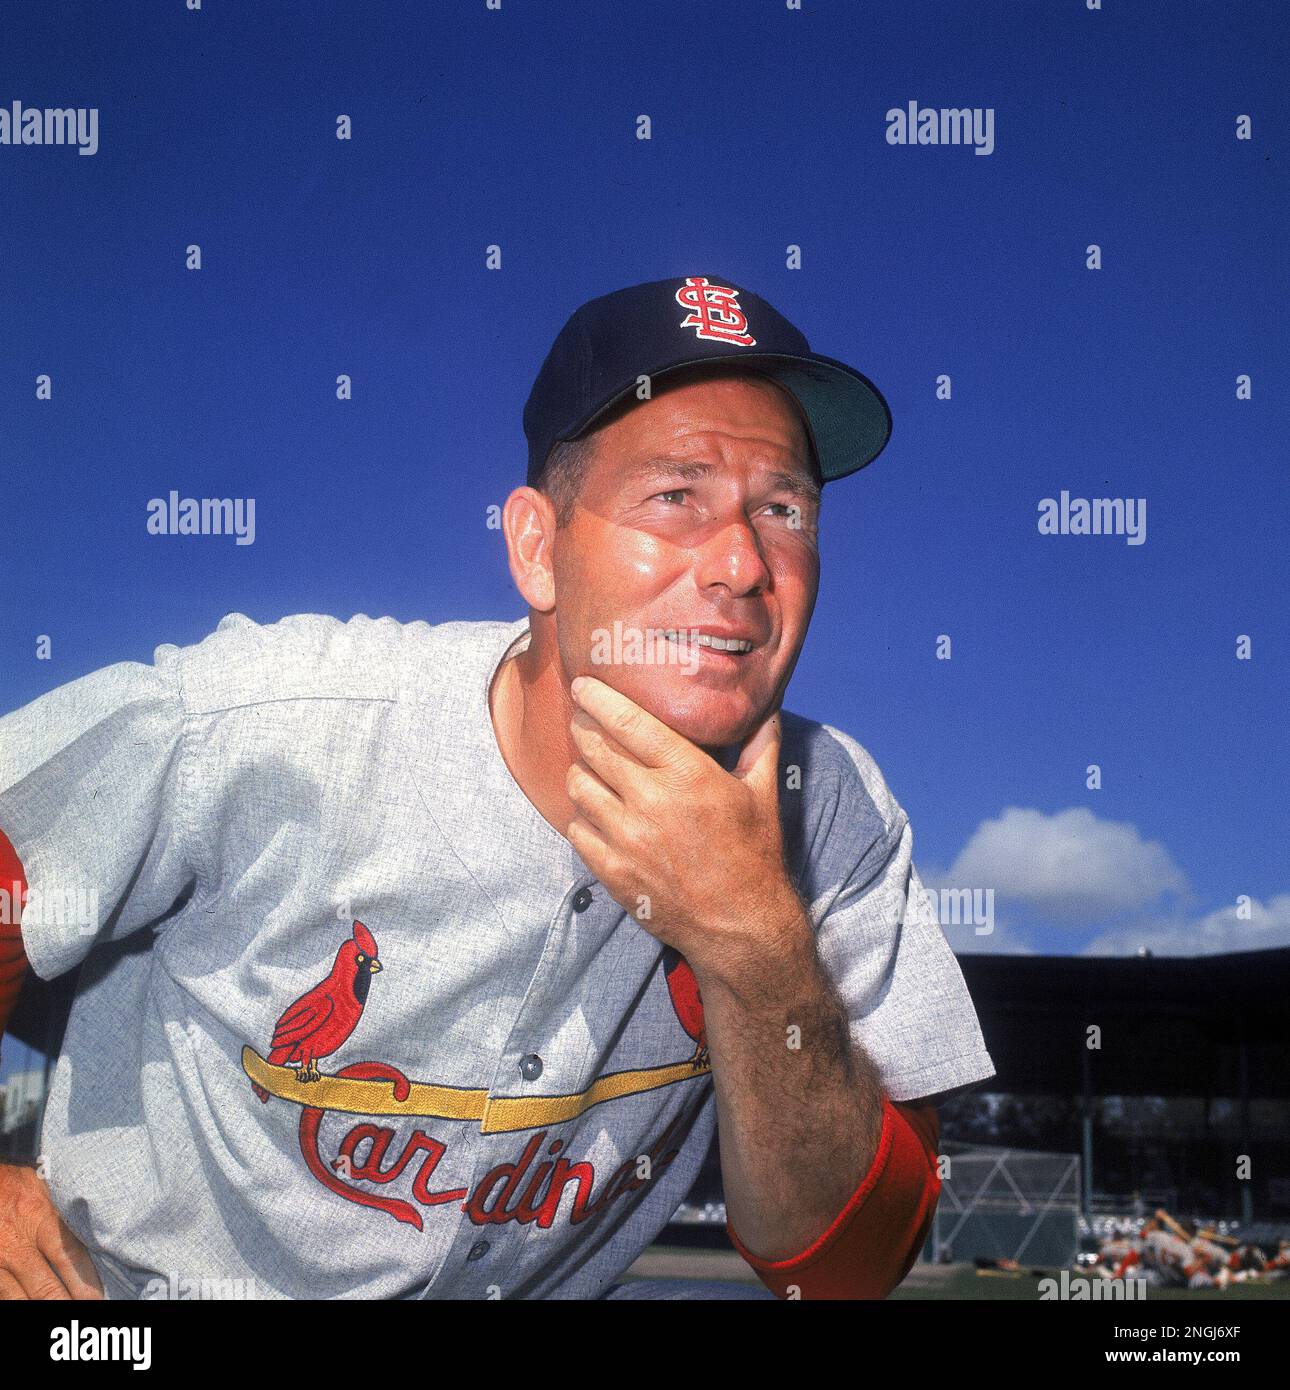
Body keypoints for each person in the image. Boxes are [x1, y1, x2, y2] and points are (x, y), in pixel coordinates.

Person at [0, 274, 994, 1300]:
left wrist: (756, 943)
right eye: (676, 494)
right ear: (536, 549)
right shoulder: (271, 719)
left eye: (782, 506)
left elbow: (845, 1269)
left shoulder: (831, 814)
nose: (742, 562)